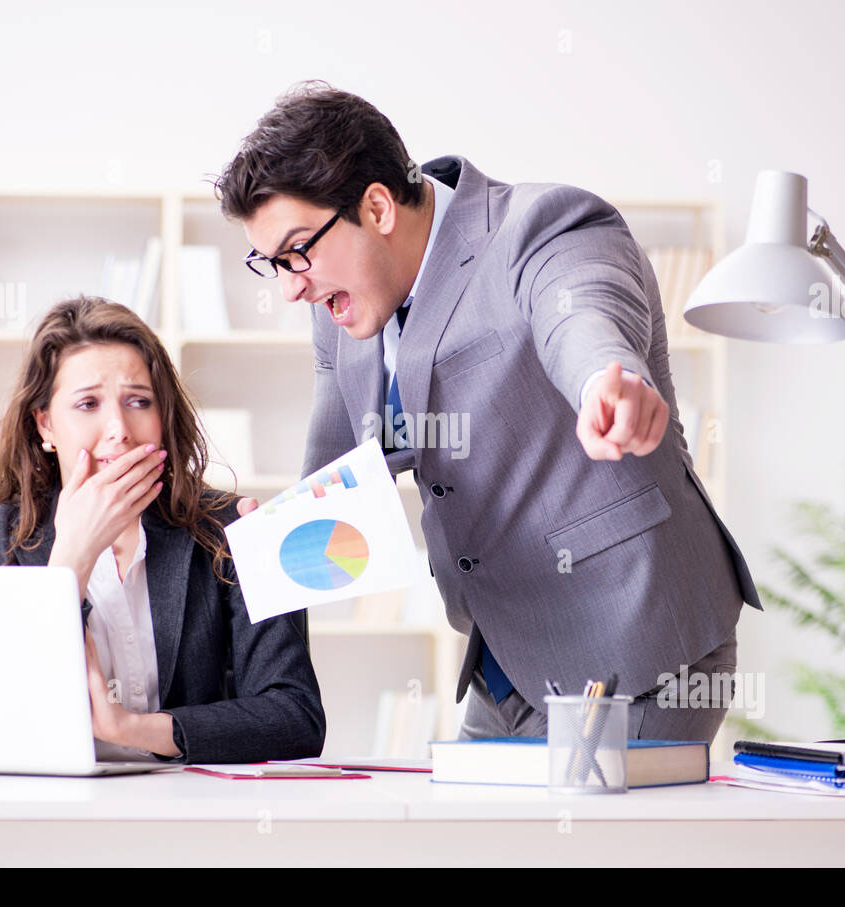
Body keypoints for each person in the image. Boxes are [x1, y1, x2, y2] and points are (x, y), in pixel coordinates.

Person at [217, 83, 762, 745]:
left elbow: (581, 312)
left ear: (378, 206)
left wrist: (603, 380)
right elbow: (338, 472)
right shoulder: (339, 310)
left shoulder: (540, 226)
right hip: (505, 658)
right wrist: (270, 530)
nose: (289, 285)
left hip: (637, 638)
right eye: (270, 262)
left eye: (297, 250)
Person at [0, 296, 326, 764]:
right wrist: (72, 560)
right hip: (45, 811)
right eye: (88, 404)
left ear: (162, 418)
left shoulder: (231, 529)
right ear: (46, 425)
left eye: (139, 402)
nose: (119, 430)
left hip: (190, 812)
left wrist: (134, 730)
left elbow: (296, 719)